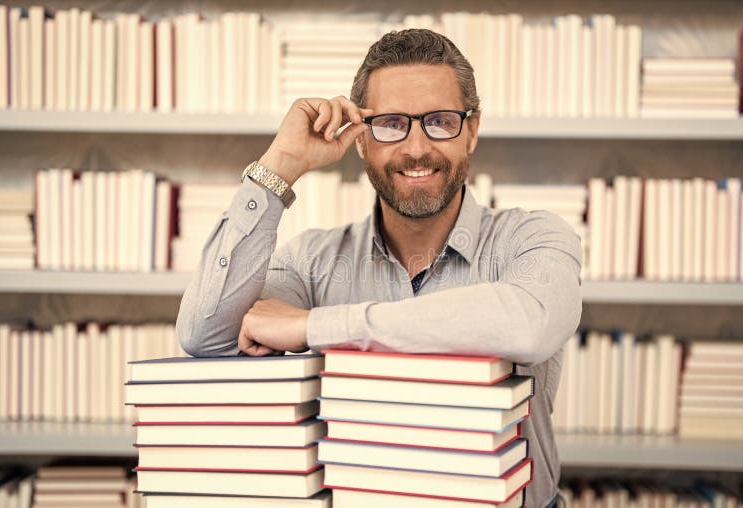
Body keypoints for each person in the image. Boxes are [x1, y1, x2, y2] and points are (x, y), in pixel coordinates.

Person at [176, 28, 582, 508]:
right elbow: (207, 338)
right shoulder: (310, 262)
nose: (416, 148)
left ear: (471, 131)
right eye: (390, 124)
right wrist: (279, 166)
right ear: (361, 140)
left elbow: (528, 323)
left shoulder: (533, 238)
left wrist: (315, 326)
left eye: (440, 121)